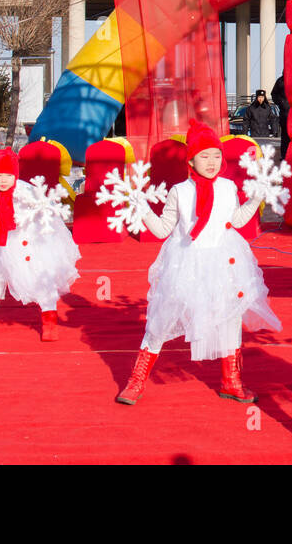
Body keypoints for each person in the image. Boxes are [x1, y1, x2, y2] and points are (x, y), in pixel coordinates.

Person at [116, 120, 279, 406]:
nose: (212, 162)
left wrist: (255, 199)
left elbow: (236, 221)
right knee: (162, 320)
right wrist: (141, 209)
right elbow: (163, 229)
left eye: (217, 155)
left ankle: (232, 380)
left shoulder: (228, 188)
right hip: (186, 264)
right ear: (191, 160)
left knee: (230, 319)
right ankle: (136, 380)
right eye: (204, 156)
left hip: (224, 263)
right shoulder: (181, 191)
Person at [0, 148, 82, 342]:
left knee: (42, 279)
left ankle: (50, 323)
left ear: (15, 175)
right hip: (0, 245)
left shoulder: (26, 191)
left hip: (28, 243)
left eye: (8, 175)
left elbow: (45, 208)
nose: (3, 180)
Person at [270, 76, 291, 158]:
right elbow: (273, 94)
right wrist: (281, 102)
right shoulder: (280, 81)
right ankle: (284, 155)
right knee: (285, 135)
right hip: (284, 113)